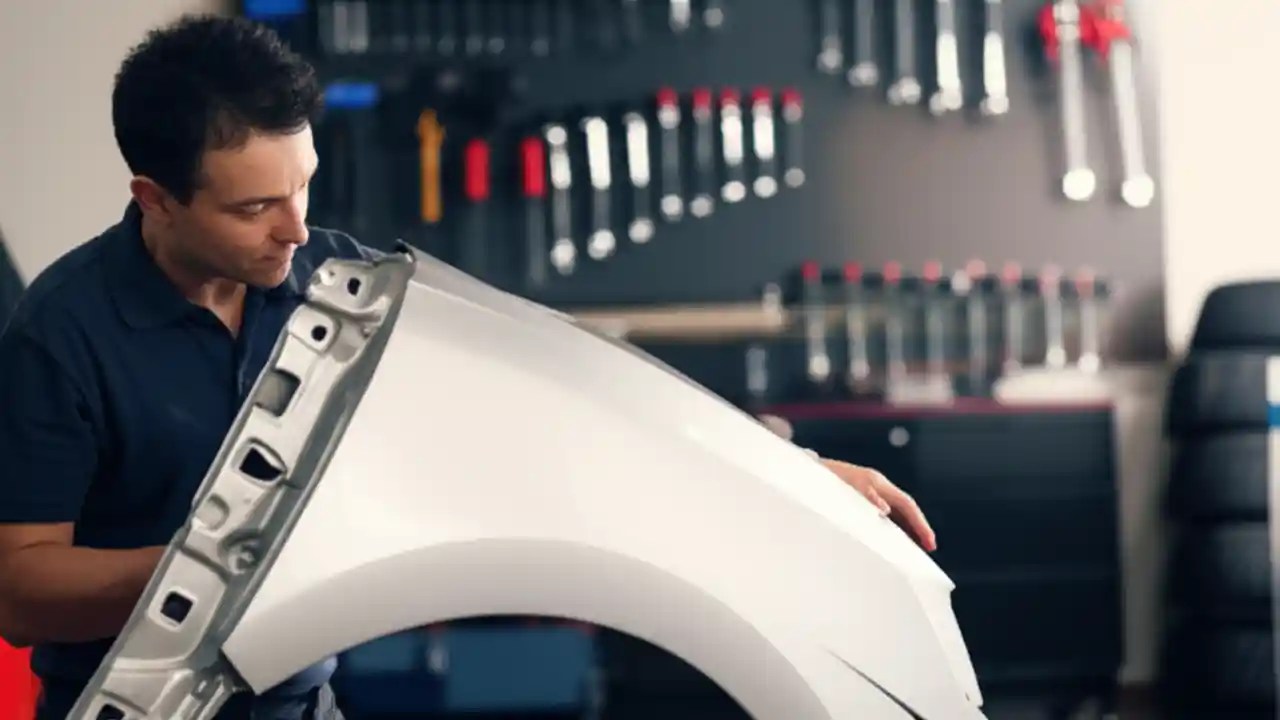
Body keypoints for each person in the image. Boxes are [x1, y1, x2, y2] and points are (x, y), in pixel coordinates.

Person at [0, 14, 935, 720]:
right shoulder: (62, 336)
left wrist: (790, 478)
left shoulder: (333, 282)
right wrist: (229, 561)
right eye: (253, 209)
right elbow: (20, 590)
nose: (294, 227)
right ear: (154, 198)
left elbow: (557, 404)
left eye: (304, 185)